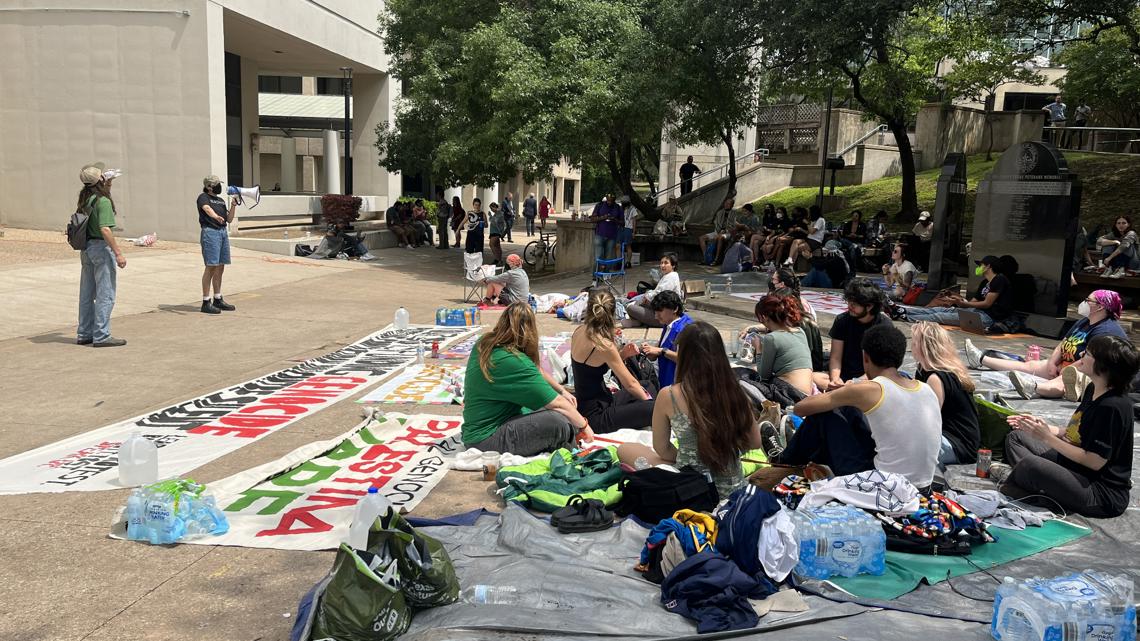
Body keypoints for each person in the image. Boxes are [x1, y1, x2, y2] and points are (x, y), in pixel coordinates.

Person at [766, 324, 942, 490]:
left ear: (865, 357)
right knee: (850, 410)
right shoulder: (925, 388)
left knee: (826, 415)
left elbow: (801, 408)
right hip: (922, 485)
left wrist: (845, 392)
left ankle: (785, 460)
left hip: (882, 485)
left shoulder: (870, 389)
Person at [991, 335, 1139, 518]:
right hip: (1074, 468)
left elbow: (1093, 461)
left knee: (1031, 465)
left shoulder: (1114, 406)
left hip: (1099, 493)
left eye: (1089, 353)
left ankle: (1031, 486)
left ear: (1103, 366)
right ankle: (1034, 483)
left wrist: (1047, 437)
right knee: (1017, 437)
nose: (1083, 353)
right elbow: (1074, 434)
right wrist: (1036, 427)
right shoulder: (1093, 389)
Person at [618, 321, 762, 499]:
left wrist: (690, 457)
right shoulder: (735, 391)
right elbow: (755, 442)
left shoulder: (669, 395)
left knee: (626, 449)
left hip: (691, 487)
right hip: (732, 489)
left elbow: (662, 449)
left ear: (684, 355)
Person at [462, 303, 591, 456]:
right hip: (485, 440)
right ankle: (573, 447)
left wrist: (562, 390)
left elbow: (536, 369)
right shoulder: (513, 361)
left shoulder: (485, 342)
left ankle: (567, 438)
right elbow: (558, 404)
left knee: (559, 412)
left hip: (478, 430)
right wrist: (584, 426)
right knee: (558, 421)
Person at [968, 289, 1127, 400]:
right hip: (1065, 365)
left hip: (1088, 372)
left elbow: (1092, 360)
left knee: (1064, 380)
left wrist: (1067, 369)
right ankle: (981, 359)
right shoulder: (1084, 321)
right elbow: (1063, 343)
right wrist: (1052, 362)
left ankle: (1033, 387)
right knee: (1030, 366)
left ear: (1099, 307)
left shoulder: (1106, 331)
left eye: (1088, 300)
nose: (1084, 302)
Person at [570, 290, 656, 432]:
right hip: (596, 415)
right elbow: (631, 384)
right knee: (654, 407)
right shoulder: (603, 344)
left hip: (592, 402)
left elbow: (593, 365)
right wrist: (651, 407)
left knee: (646, 385)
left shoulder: (579, 331)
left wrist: (622, 354)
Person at [910, 322, 980, 465]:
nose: (911, 347)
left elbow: (927, 422)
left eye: (914, 343)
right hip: (949, 436)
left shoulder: (936, 378)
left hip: (957, 444)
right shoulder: (924, 370)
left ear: (925, 348)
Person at [76, 164, 128, 347]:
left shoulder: (86, 199)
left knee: (87, 294)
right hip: (100, 248)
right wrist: (118, 253)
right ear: (100, 180)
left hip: (86, 248)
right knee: (106, 293)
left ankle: (84, 333)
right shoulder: (102, 201)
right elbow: (105, 229)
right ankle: (101, 335)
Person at [895, 254, 1013, 330]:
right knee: (939, 309)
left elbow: (987, 304)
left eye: (981, 265)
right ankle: (901, 311)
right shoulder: (984, 283)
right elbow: (972, 302)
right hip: (975, 312)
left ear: (988, 266)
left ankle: (905, 317)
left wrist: (964, 304)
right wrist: (956, 299)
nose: (979, 268)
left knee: (940, 316)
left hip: (988, 318)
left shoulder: (999, 279)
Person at [814, 278, 892, 391]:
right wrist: (835, 379)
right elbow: (835, 357)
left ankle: (844, 393)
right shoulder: (842, 320)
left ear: (869, 306)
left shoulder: (884, 326)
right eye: (849, 302)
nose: (849, 307)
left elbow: (881, 367)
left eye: (854, 305)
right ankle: (843, 392)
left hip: (870, 379)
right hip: (845, 376)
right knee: (812, 377)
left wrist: (856, 382)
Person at [752, 294, 814, 396]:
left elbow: (763, 375)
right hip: (807, 391)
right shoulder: (800, 331)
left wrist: (758, 349)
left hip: (790, 393)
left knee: (744, 376)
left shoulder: (771, 338)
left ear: (764, 317)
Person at [198, 175, 239, 315]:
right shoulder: (203, 197)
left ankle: (217, 298)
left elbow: (229, 219)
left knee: (220, 266)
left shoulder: (221, 201)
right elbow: (207, 209)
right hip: (211, 232)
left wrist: (233, 206)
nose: (218, 186)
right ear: (209, 186)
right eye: (216, 184)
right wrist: (215, 216)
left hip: (222, 233)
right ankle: (205, 301)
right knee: (211, 266)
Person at [640, 291, 693, 387]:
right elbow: (658, 352)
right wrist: (649, 350)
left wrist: (661, 351)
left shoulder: (685, 329)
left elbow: (685, 359)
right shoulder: (668, 324)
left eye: (660, 311)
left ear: (675, 309)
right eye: (655, 312)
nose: (656, 316)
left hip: (679, 386)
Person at [626, 253, 682, 327]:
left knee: (630, 307)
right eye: (661, 263)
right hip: (661, 310)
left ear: (673, 265)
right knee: (636, 302)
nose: (662, 265)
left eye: (666, 263)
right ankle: (639, 320)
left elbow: (660, 295)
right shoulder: (669, 276)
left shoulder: (671, 277)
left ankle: (639, 321)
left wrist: (647, 297)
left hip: (663, 317)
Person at [700, 197, 736, 265]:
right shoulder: (720, 212)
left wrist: (725, 230)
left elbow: (734, 225)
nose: (726, 205)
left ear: (732, 205)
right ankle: (706, 258)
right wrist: (719, 231)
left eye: (728, 204)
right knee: (702, 238)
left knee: (720, 237)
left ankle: (716, 259)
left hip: (728, 233)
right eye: (725, 203)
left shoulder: (734, 213)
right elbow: (716, 223)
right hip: (717, 231)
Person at [591, 193, 623, 266]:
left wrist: (614, 219)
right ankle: (596, 275)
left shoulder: (618, 207)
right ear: (606, 199)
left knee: (609, 257)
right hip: (600, 234)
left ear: (614, 200)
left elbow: (622, 223)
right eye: (608, 200)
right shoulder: (599, 206)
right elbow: (592, 219)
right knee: (598, 256)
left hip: (612, 236)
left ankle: (606, 274)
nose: (610, 202)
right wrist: (603, 217)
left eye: (612, 201)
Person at [620, 195, 637, 268]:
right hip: (621, 228)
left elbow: (634, 221)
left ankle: (628, 262)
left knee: (628, 246)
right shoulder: (621, 209)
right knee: (619, 246)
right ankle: (620, 261)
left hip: (628, 228)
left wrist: (633, 232)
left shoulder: (633, 209)